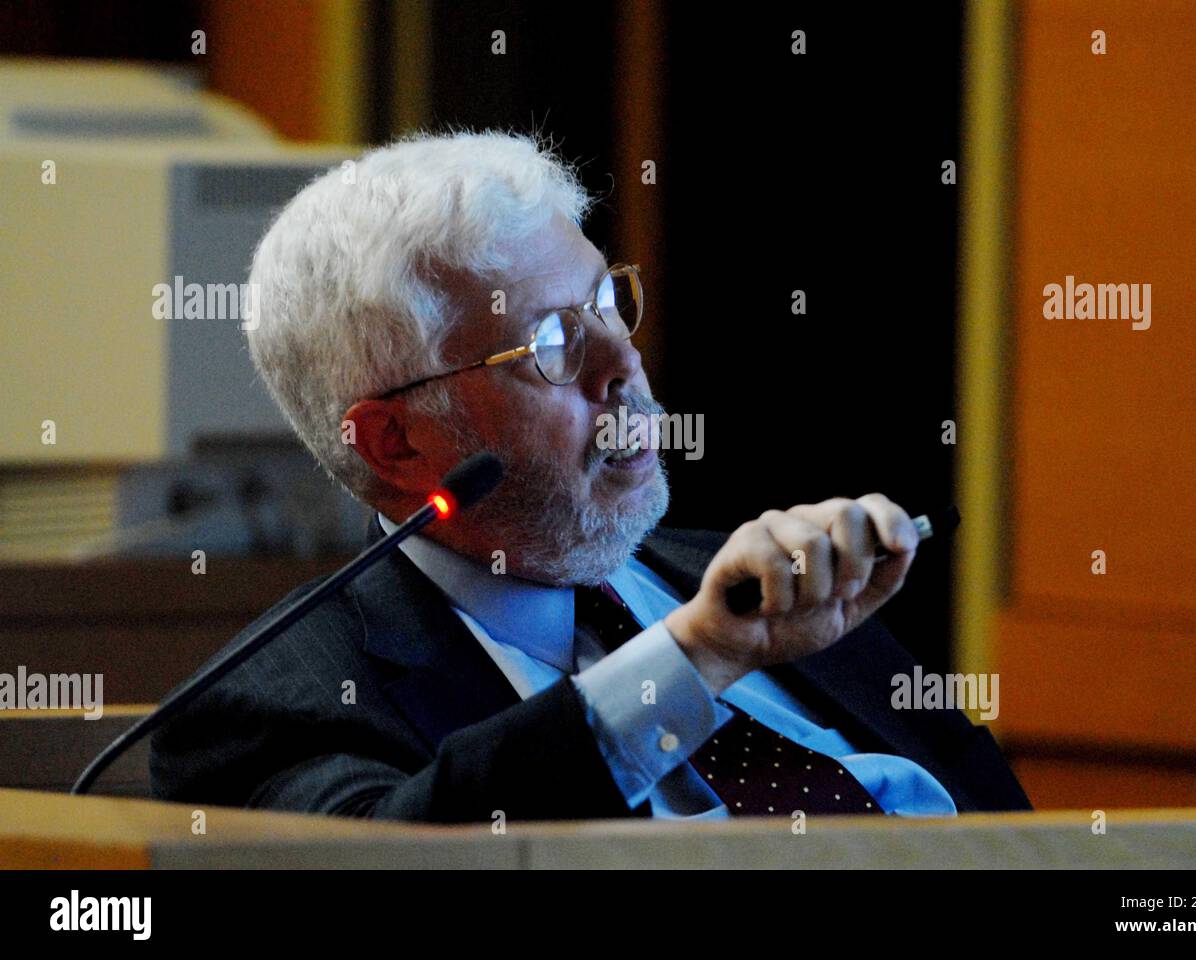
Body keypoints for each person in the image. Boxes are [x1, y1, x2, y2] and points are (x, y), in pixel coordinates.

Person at [150, 131, 1031, 822]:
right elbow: (400, 868)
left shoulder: (768, 578)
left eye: (607, 303)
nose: (623, 363)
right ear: (397, 443)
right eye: (550, 345)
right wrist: (697, 658)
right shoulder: (272, 699)